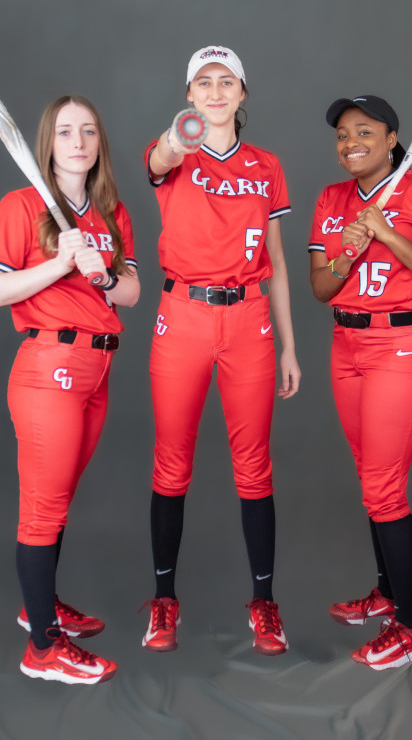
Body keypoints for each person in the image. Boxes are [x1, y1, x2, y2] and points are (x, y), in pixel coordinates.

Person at [141, 45, 300, 656]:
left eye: (225, 81)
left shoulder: (267, 165)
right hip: (182, 313)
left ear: (242, 93)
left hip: (248, 317)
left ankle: (264, 603)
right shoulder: (177, 150)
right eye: (203, 82)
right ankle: (163, 601)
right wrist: (180, 137)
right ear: (189, 94)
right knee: (171, 461)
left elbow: (277, 260)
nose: (214, 91)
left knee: (254, 465)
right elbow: (159, 156)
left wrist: (288, 346)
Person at [0, 95, 139, 685]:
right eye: (67, 131)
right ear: (48, 142)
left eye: (89, 131)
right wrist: (60, 264)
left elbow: (131, 292)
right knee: (43, 507)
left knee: (59, 499)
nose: (78, 142)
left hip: (97, 369)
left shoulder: (111, 211)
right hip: (50, 367)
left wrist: (103, 273)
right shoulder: (21, 205)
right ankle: (43, 648)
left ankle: (39, 605)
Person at [308, 95, 412, 671]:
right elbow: (321, 289)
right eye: (343, 133)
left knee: (383, 488)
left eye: (365, 131)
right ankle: (388, 593)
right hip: (346, 345)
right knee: (371, 478)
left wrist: (388, 235)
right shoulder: (331, 199)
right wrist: (346, 256)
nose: (351, 142)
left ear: (393, 139)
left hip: (402, 343)